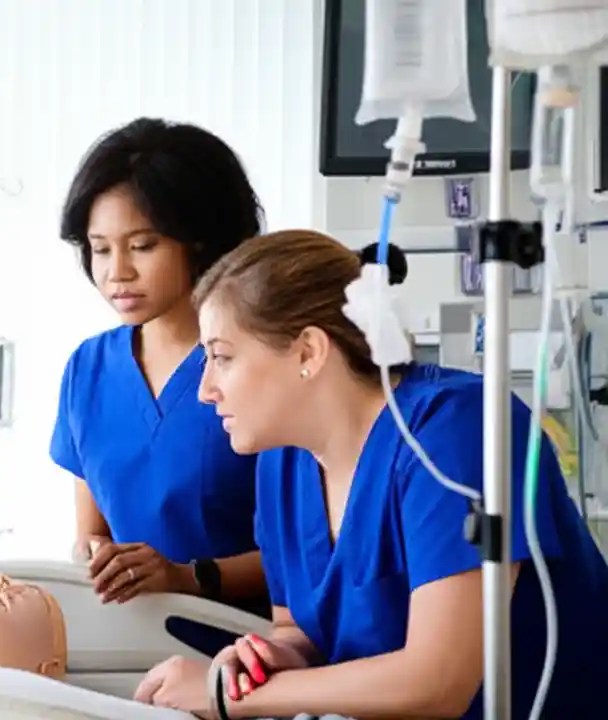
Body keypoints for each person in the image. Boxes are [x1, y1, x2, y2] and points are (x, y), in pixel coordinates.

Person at [134, 229, 608, 719]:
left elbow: (438, 682)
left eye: (222, 358)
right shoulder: (283, 464)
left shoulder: (457, 433)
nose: (205, 390)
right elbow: (298, 632)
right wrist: (274, 660)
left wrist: (225, 697)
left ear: (308, 353)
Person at [50, 117, 271, 658]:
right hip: (128, 654)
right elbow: (91, 538)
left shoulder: (268, 364)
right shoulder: (89, 369)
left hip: (251, 656)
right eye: (100, 250)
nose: (116, 272)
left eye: (142, 246)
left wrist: (187, 577)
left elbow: (314, 547)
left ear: (202, 240)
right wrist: (98, 560)